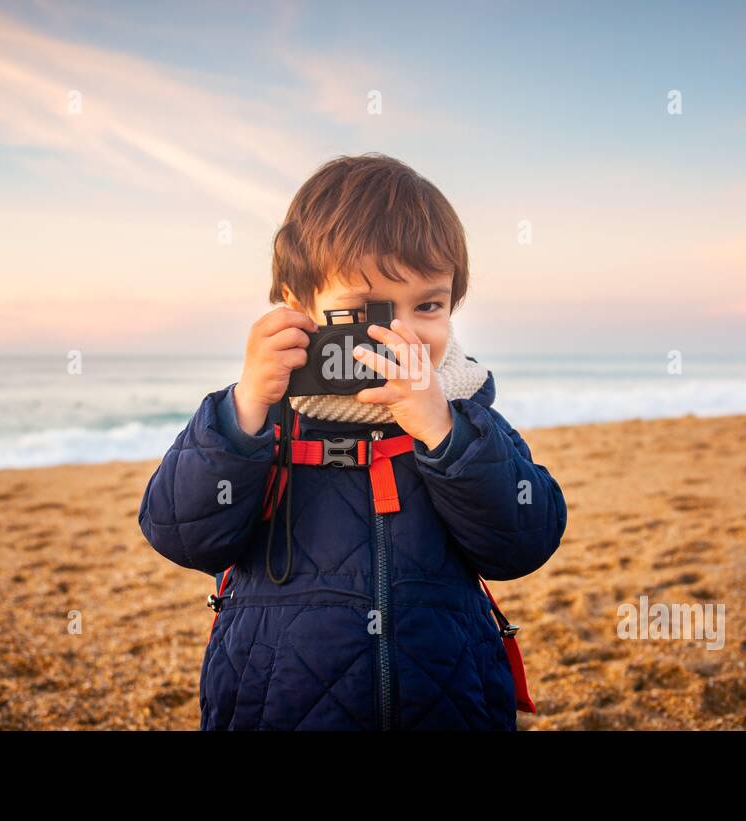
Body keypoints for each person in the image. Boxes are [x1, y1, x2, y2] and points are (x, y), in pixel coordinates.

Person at [138, 153, 566, 730]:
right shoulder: (261, 415)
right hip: (279, 705)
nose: (405, 332)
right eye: (370, 310)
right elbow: (180, 534)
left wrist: (443, 432)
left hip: (448, 702)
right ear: (298, 303)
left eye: (430, 305)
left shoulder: (463, 416)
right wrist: (243, 414)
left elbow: (525, 543)